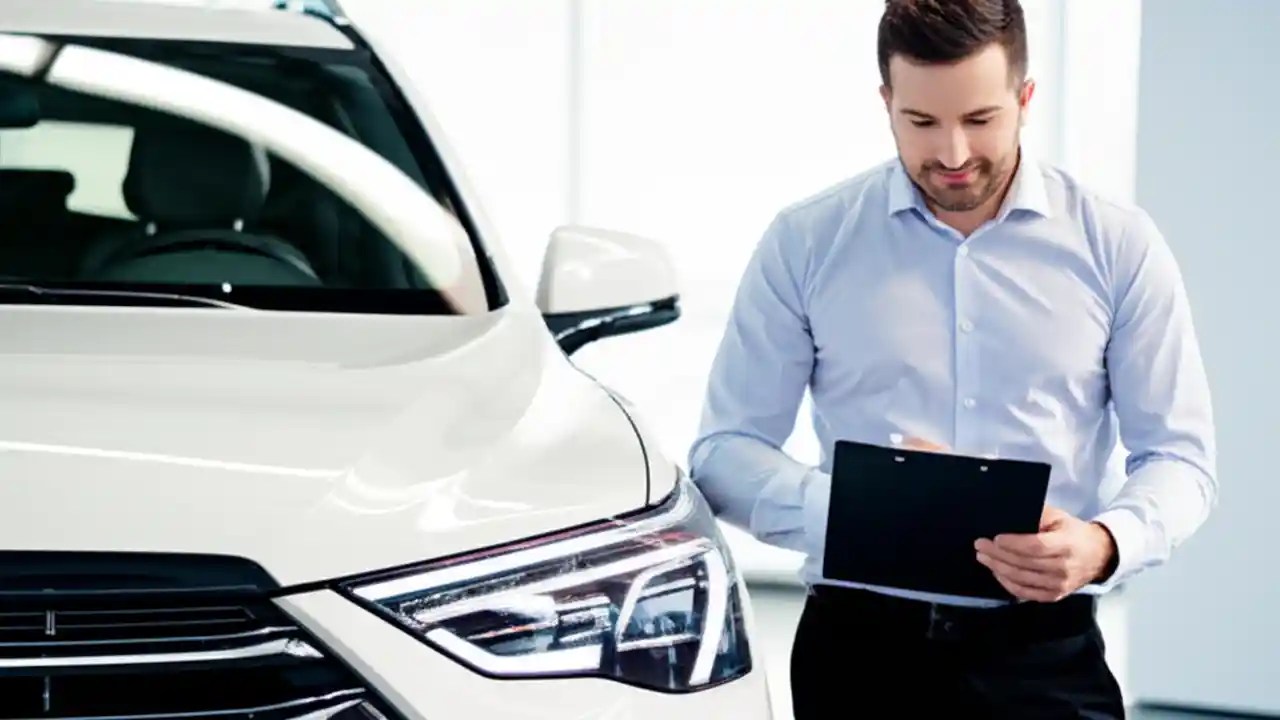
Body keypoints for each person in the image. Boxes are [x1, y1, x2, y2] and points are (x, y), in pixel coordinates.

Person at [687, 0, 1217, 716]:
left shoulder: (1118, 245)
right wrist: (861, 511)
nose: (954, 155)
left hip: (1043, 657)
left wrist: (1103, 543)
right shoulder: (807, 242)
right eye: (922, 123)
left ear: (1025, 99)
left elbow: (1181, 459)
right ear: (886, 103)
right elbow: (725, 452)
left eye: (979, 120)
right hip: (859, 657)